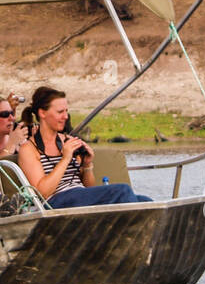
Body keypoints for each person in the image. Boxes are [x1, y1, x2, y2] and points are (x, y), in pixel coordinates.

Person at [17, 86, 150, 208]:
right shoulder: (29, 149)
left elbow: (88, 188)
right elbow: (42, 193)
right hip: (54, 202)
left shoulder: (68, 140)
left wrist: (87, 165)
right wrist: (65, 159)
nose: (65, 116)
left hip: (79, 197)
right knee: (123, 191)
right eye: (60, 112)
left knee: (146, 201)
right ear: (42, 113)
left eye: (66, 111)